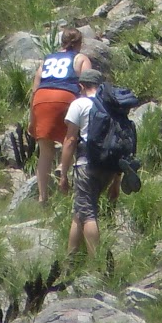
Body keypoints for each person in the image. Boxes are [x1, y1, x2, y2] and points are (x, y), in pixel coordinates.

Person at [57, 68, 121, 261]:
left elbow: (70, 140)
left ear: (81, 86)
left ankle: (97, 264)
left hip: (86, 165)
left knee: (88, 214)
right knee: (80, 211)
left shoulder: (79, 104)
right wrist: (117, 181)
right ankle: (71, 259)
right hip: (109, 167)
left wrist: (63, 173)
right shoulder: (112, 105)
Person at [28, 28, 93, 204]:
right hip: (65, 97)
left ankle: (43, 198)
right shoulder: (81, 59)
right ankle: (62, 168)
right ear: (79, 43)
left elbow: (34, 89)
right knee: (71, 138)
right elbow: (87, 85)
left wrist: (32, 118)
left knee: (45, 151)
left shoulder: (47, 59)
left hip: (41, 98)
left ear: (62, 42)